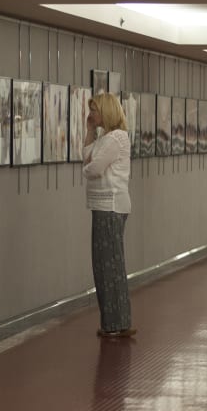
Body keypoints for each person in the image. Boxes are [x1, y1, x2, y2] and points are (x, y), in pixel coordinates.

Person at [83, 92, 135, 338]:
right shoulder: (104, 138)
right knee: (103, 266)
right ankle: (112, 322)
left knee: (111, 266)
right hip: (102, 207)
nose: (91, 114)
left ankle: (117, 323)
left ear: (107, 111)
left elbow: (94, 168)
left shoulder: (117, 138)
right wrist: (90, 130)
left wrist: (87, 167)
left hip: (111, 206)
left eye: (95, 110)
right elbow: (85, 156)